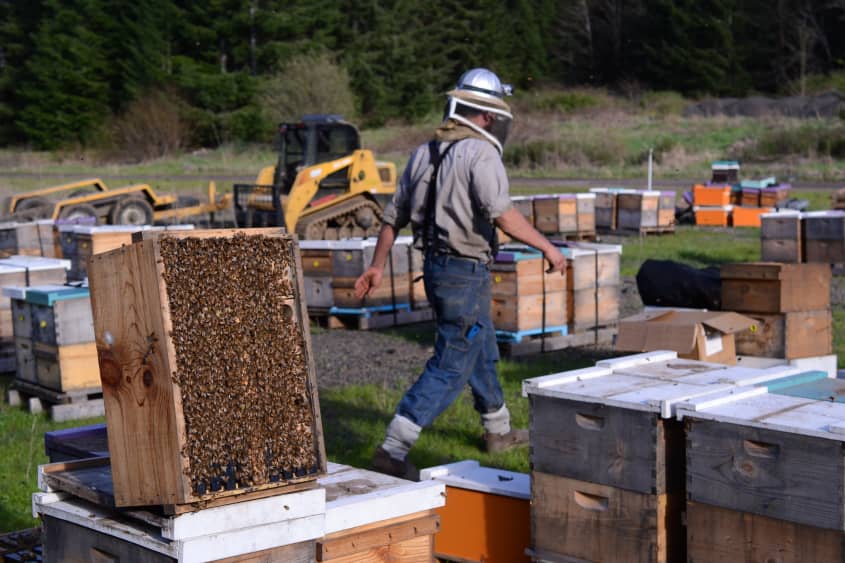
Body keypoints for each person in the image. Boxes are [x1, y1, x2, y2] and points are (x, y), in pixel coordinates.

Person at [354, 68, 566, 480]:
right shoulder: (481, 154)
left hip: (435, 268)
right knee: (452, 362)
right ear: (486, 115)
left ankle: (498, 431)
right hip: (463, 272)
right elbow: (501, 213)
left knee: (481, 345)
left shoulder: (423, 153)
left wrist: (377, 266)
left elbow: (390, 218)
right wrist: (548, 246)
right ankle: (392, 449)